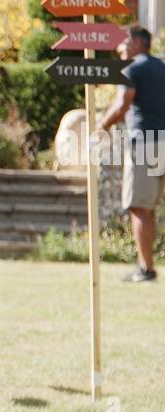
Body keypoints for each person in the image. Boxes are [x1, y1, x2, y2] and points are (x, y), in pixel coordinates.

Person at [98, 25, 165, 283]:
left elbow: (122, 103)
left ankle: (146, 268)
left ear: (137, 42)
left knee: (140, 207)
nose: (119, 48)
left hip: (145, 143)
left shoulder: (131, 68)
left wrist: (101, 126)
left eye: (123, 42)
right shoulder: (162, 67)